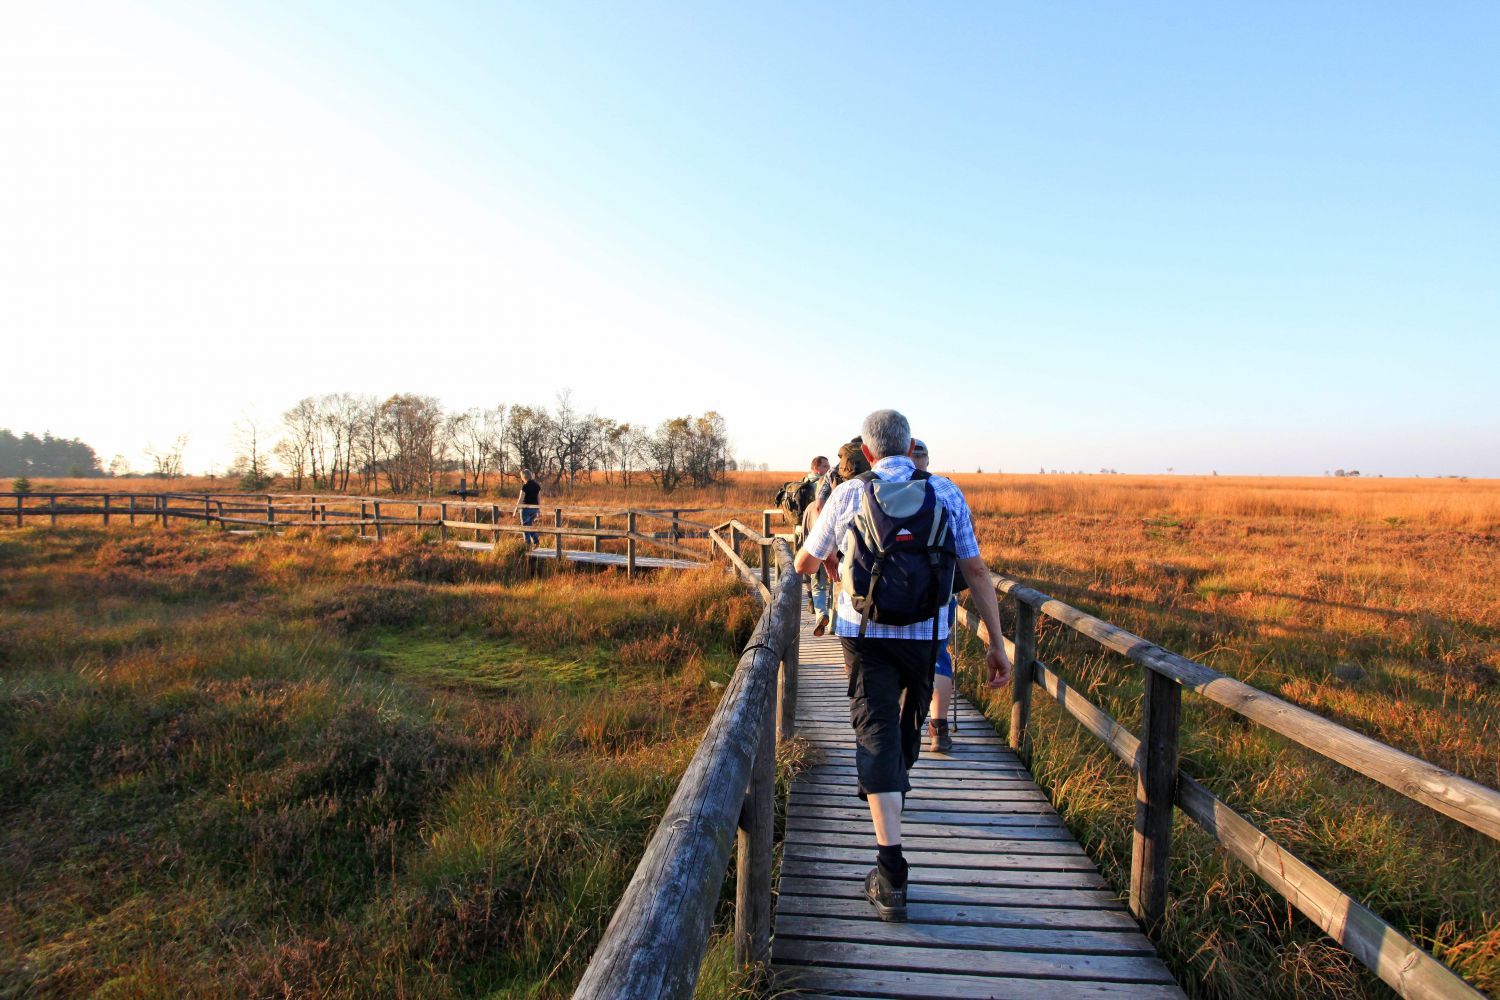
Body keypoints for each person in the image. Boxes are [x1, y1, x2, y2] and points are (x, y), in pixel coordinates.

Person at [794, 409, 1012, 922]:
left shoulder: (849, 492)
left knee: (875, 730)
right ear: (910, 444)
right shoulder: (947, 492)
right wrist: (997, 644)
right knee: (906, 731)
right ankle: (893, 803)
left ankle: (891, 876)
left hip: (864, 634)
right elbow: (975, 569)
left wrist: (824, 563)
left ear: (868, 453)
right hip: (927, 634)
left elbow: (806, 560)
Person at [911, 439, 958, 754]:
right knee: (939, 655)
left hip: (897, 592)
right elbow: (966, 552)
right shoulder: (944, 489)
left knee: (900, 657)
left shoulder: (884, 489)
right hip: (941, 591)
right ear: (925, 459)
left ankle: (905, 728)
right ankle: (938, 729)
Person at [515, 468, 541, 545]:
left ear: (524, 477)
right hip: (534, 509)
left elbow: (520, 499)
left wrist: (516, 509)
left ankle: (527, 544)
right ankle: (536, 541)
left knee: (525, 527)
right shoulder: (537, 486)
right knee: (529, 525)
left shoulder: (525, 486)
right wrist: (538, 510)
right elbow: (538, 499)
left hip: (525, 509)